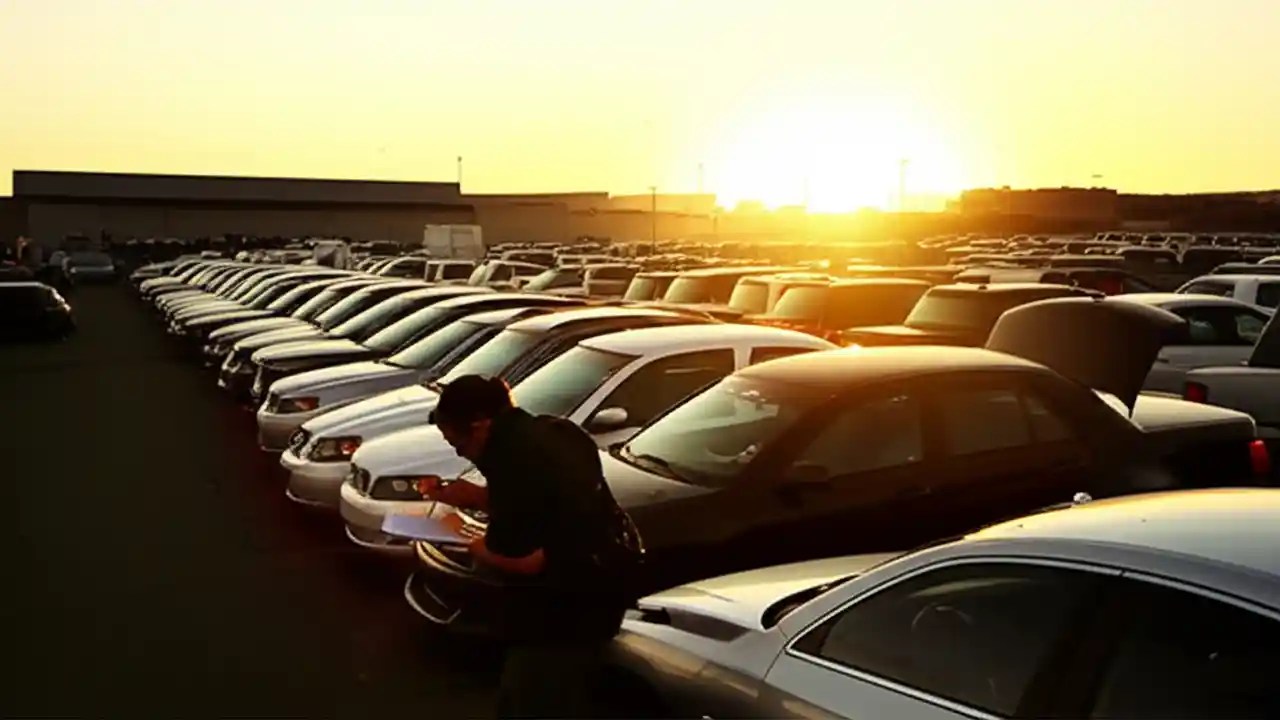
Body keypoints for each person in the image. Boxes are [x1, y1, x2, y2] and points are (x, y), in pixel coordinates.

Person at [419, 375, 643, 719]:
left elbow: (523, 560)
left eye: (458, 445)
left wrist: (465, 539)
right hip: (602, 596)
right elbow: (540, 503)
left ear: (480, 427)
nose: (459, 452)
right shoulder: (556, 433)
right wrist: (474, 496)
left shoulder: (510, 461)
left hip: (557, 618)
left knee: (532, 698)